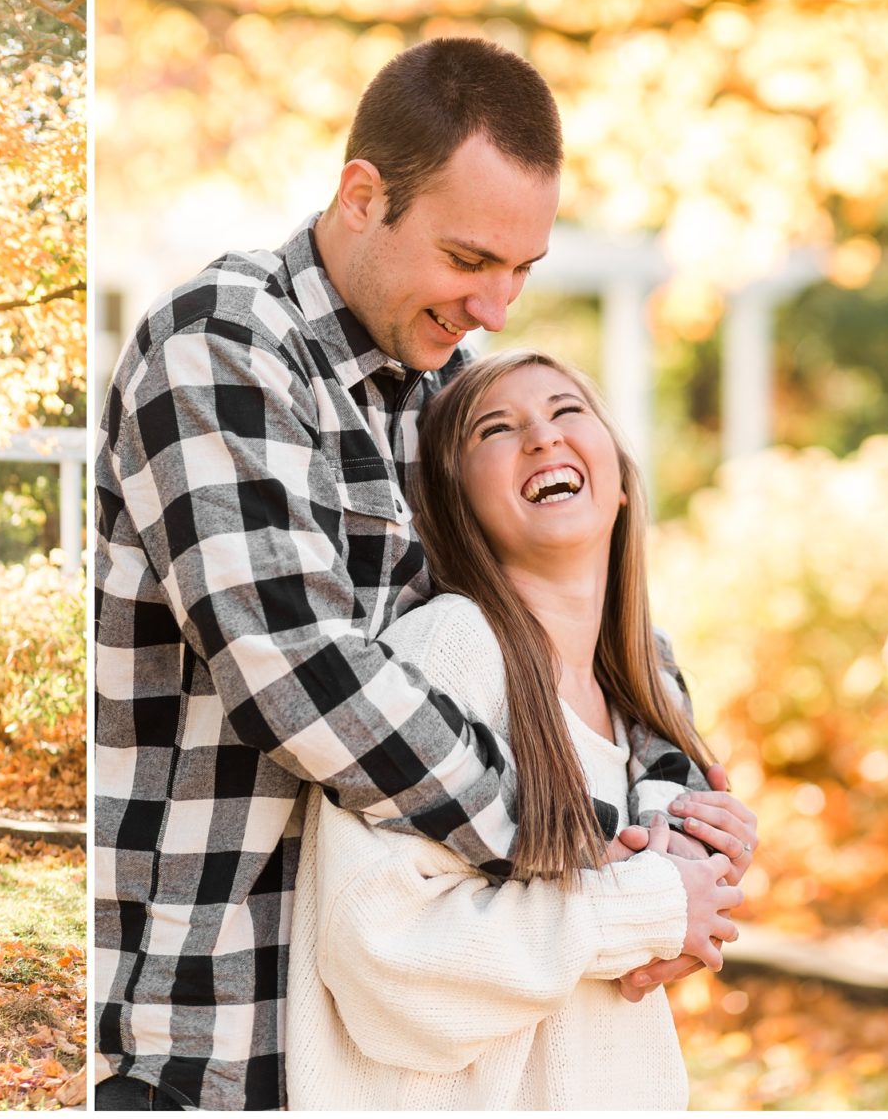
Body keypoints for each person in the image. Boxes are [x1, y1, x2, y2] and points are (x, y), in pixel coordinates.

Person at [92, 37, 756, 1110]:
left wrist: (677, 825)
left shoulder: (441, 392)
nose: (496, 306)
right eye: (468, 258)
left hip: (381, 1067)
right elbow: (297, 674)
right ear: (363, 196)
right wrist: (598, 855)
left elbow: (581, 628)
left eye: (521, 269)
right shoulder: (223, 344)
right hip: (207, 1028)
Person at [287, 350, 756, 1109]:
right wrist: (643, 908)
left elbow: (637, 928)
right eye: (495, 430)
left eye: (568, 411)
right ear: (458, 507)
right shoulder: (450, 650)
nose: (543, 437)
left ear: (624, 479)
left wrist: (707, 866)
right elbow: (381, 962)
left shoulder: (644, 688)